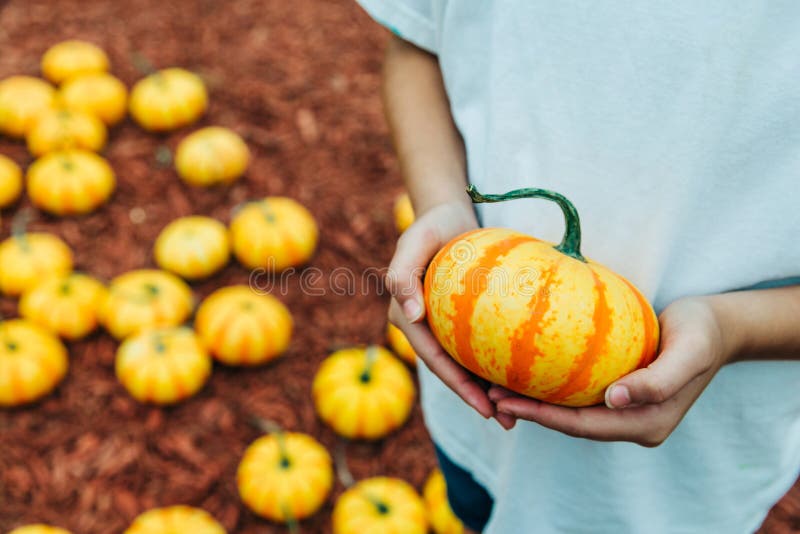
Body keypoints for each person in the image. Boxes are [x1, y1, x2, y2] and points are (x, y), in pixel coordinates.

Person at [356, 1, 800, 533]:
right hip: (473, 417)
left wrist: (733, 331)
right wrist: (440, 203)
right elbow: (416, 42)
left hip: (677, 480)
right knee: (473, 507)